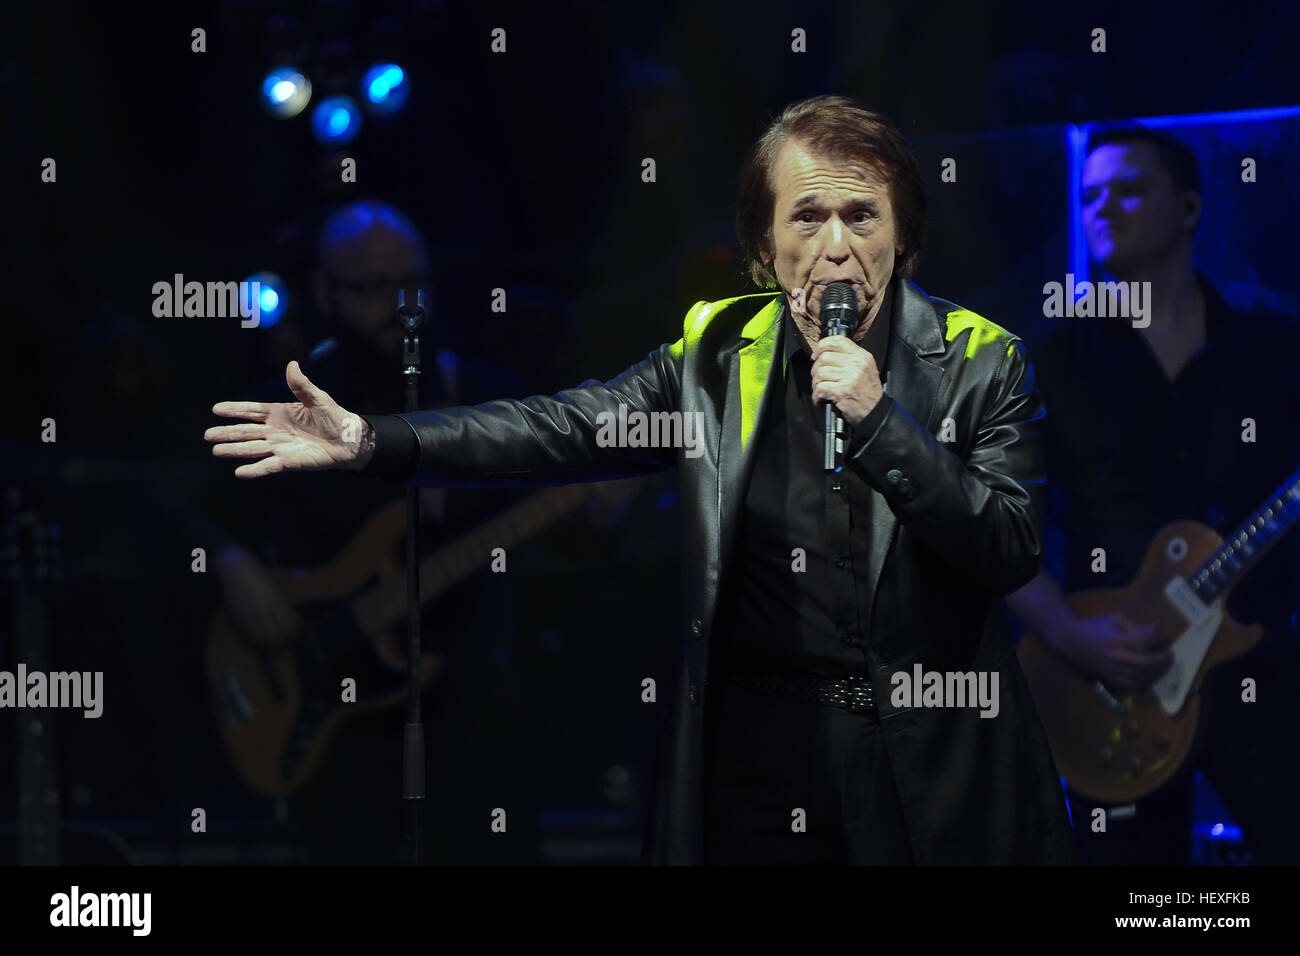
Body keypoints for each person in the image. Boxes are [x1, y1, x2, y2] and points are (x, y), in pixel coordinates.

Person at [206, 95, 1075, 865]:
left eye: (863, 215)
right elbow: (555, 426)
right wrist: (374, 440)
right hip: (759, 753)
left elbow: (1007, 547)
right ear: (764, 249)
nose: (837, 247)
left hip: (928, 752)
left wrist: (883, 423)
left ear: (907, 239)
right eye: (808, 217)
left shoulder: (982, 362)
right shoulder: (716, 356)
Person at [204, 200, 541, 864]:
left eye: (414, 284)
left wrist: (606, 502)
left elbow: (569, 534)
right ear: (326, 293)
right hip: (334, 726)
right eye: (373, 288)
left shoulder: (487, 393)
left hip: (469, 715)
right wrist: (227, 559)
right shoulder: (282, 403)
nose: (401, 306)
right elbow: (176, 503)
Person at [1008, 125, 1300, 864]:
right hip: (1108, 673)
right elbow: (993, 531)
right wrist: (1072, 637)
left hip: (1255, 659)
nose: (1103, 207)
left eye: (1129, 188)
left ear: (1192, 207)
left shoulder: (1273, 344)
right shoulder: (1049, 357)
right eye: (1089, 195)